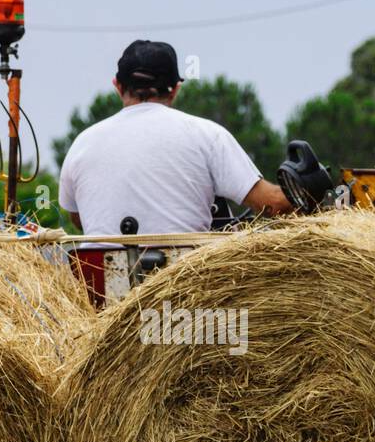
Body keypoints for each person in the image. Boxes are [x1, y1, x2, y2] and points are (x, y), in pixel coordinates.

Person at [58, 40, 292, 307]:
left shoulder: (82, 144)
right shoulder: (207, 135)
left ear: (118, 86)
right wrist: (305, 190)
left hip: (102, 306)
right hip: (190, 309)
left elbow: (79, 219)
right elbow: (271, 204)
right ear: (176, 89)